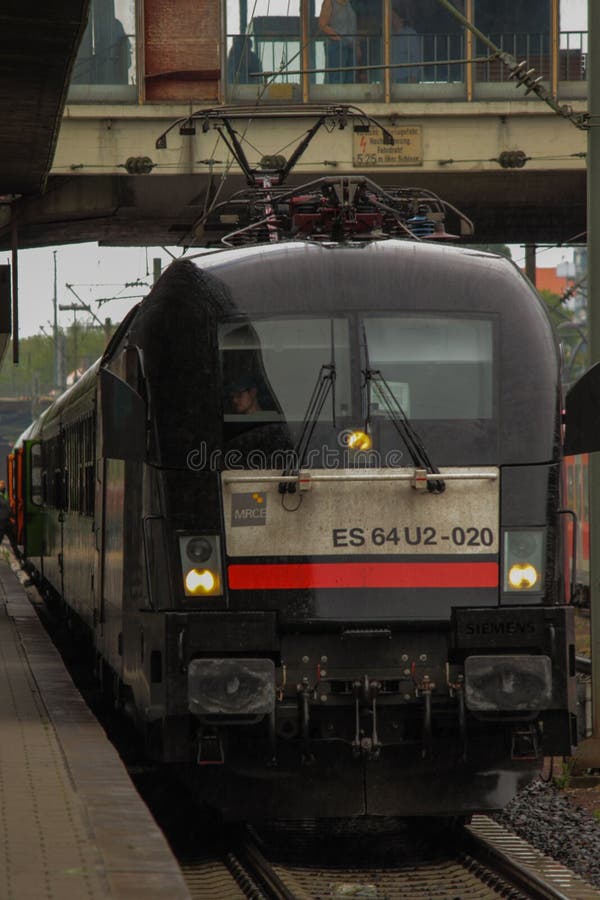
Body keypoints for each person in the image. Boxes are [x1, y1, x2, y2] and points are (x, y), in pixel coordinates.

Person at [319, 0, 361, 84]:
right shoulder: (329, 2)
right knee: (336, 79)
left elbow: (353, 27)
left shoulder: (349, 4)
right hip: (337, 46)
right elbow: (322, 25)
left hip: (351, 46)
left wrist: (357, 46)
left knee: (350, 79)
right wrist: (339, 38)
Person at [391, 3, 422, 83]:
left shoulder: (410, 34)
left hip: (406, 78)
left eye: (393, 17)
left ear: (401, 18)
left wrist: (413, 77)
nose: (390, 19)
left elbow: (416, 58)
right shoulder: (388, 36)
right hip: (392, 79)